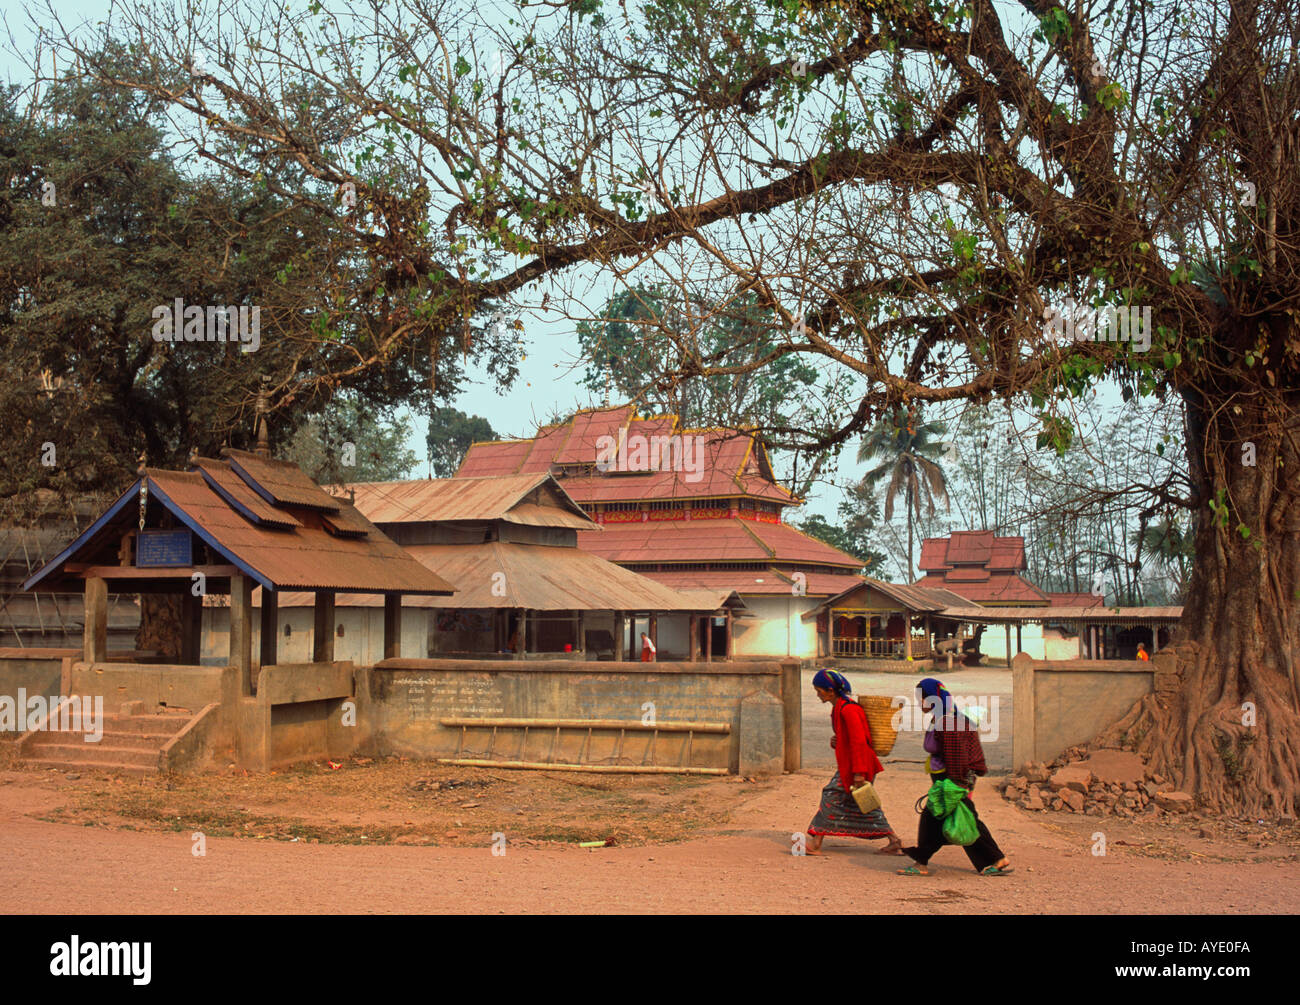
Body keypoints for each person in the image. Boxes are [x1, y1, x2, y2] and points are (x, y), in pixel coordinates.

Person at [897, 677, 1013, 877]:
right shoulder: (942, 717)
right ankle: (995, 859)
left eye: (922, 698)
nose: (919, 703)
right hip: (949, 779)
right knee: (958, 819)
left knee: (945, 818)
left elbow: (956, 754)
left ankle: (921, 862)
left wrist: (957, 784)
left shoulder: (947, 721)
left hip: (952, 780)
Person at [805, 669, 903, 855]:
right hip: (852, 764)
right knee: (864, 804)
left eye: (820, 691)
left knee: (831, 795)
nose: (818, 695)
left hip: (857, 765)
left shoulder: (849, 709)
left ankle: (816, 841)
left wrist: (859, 773)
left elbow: (859, 742)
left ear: (831, 691)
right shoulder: (840, 707)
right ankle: (894, 840)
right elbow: (848, 738)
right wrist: (837, 740)